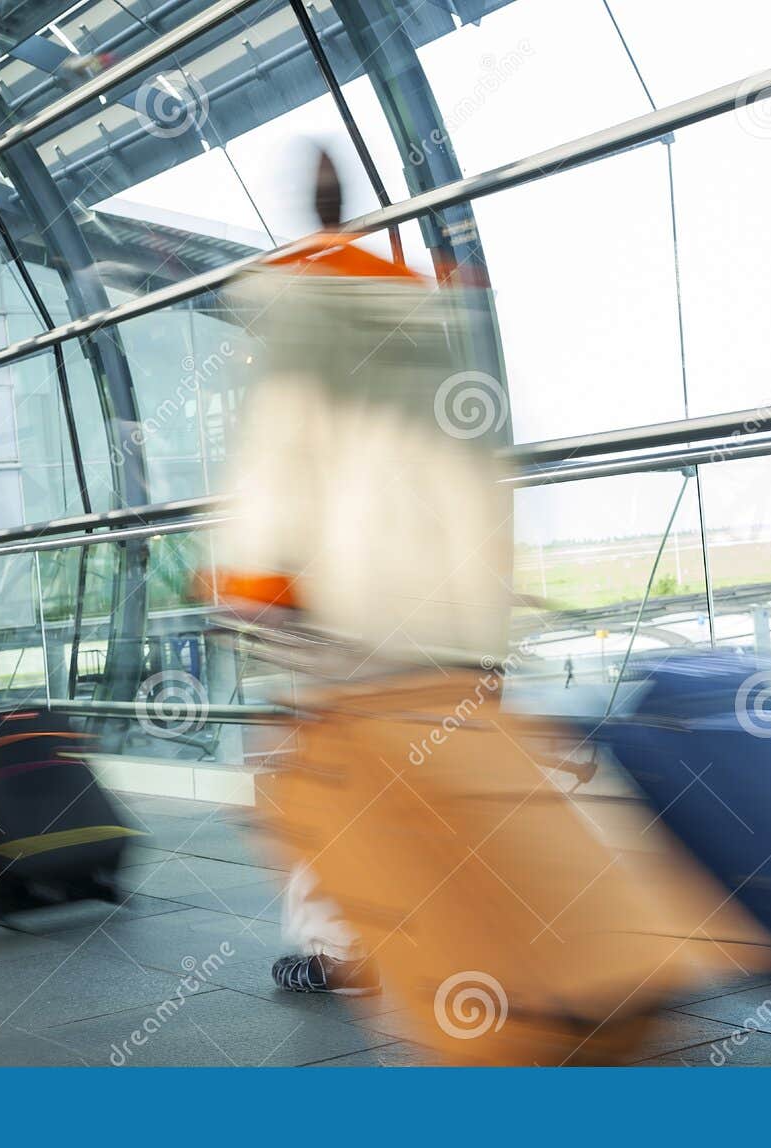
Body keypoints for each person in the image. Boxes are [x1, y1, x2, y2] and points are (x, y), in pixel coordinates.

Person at [217, 150, 512, 996]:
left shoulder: (300, 311)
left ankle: (336, 944)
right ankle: (466, 926)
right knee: (423, 769)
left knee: (313, 771)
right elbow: (474, 457)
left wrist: (258, 584)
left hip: (344, 599)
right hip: (441, 603)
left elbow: (279, 455)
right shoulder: (424, 317)